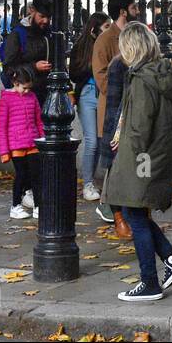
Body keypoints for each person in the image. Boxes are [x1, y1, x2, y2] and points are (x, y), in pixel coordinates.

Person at [102, 22, 172, 302]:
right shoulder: (166, 73)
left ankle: (150, 282)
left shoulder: (140, 79)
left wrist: (124, 146)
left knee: (134, 215)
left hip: (140, 157)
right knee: (135, 213)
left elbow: (139, 128)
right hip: (159, 153)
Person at [92, 0, 139, 238]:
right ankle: (112, 210)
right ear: (123, 11)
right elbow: (102, 80)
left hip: (132, 111)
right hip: (113, 113)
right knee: (112, 164)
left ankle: (128, 211)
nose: (138, 11)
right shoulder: (105, 40)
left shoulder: (135, 36)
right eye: (134, 7)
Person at [68, 11, 109, 202]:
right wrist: (92, 65)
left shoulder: (109, 45)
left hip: (103, 95)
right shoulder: (81, 47)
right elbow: (74, 74)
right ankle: (87, 184)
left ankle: (91, 180)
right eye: (105, 27)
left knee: (101, 141)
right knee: (92, 140)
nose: (108, 30)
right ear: (94, 30)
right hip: (87, 94)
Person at [0, 66, 43, 219]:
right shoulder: (6, 99)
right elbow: (1, 127)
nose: (27, 91)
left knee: (36, 175)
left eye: (29, 88)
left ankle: (38, 205)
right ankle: (15, 205)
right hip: (16, 145)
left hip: (33, 143)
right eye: (24, 88)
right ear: (15, 83)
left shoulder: (32, 97)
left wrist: (42, 139)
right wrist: (4, 151)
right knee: (21, 175)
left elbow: (39, 120)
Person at [2, 0, 54, 105]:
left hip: (48, 96)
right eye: (42, 16)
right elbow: (9, 68)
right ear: (32, 10)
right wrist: (34, 67)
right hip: (25, 97)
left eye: (49, 17)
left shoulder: (50, 34)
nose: (46, 21)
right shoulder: (17, 35)